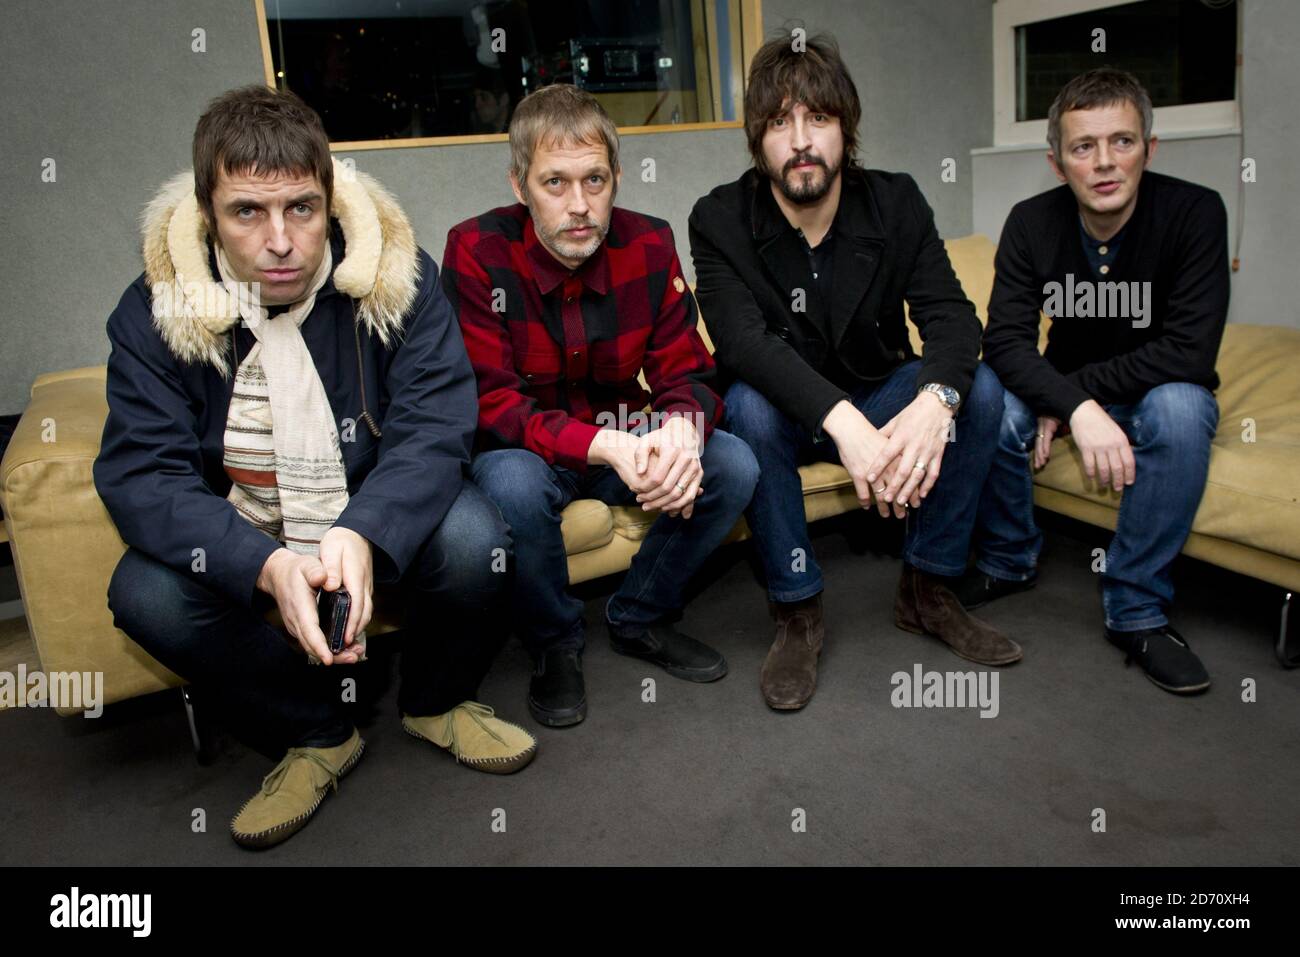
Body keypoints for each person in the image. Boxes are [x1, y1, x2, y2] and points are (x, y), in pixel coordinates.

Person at [95, 85, 535, 850]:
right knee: (143, 593)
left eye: (301, 208)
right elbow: (144, 476)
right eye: (247, 213)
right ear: (208, 212)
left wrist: (363, 532)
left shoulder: (395, 275)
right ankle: (318, 731)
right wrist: (263, 564)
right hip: (237, 520)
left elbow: (434, 424)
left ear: (329, 200)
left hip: (371, 503)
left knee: (474, 538)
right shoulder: (154, 309)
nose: (280, 241)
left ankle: (435, 701)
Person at [689, 34, 1018, 711]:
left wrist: (935, 400)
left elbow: (954, 319)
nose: (801, 140)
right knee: (746, 404)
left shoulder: (895, 203)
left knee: (978, 391)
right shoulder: (718, 217)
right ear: (757, 139)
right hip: (787, 408)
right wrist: (843, 423)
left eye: (819, 117)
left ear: (848, 126)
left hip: (879, 389)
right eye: (779, 122)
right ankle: (797, 610)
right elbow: (742, 342)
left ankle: (928, 589)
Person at [442, 84, 760, 728]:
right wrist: (601, 443)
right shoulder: (475, 251)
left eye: (595, 180)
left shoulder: (649, 242)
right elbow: (489, 400)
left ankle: (639, 614)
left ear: (616, 177)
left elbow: (688, 370)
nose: (579, 205)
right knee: (508, 482)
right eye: (555, 182)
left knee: (734, 464)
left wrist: (680, 435)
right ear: (520, 184)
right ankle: (555, 643)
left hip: (623, 431)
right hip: (528, 446)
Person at [966, 68, 1229, 695]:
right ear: (1058, 163)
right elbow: (1003, 342)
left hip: (1157, 387)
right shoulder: (1031, 223)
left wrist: (1076, 397)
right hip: (1065, 386)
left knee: (1183, 412)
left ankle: (1136, 610)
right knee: (991, 403)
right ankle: (1009, 560)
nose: (1105, 163)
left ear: (1150, 149)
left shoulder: (1195, 212)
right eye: (1084, 147)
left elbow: (1190, 352)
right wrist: (1071, 402)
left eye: (1123, 142)